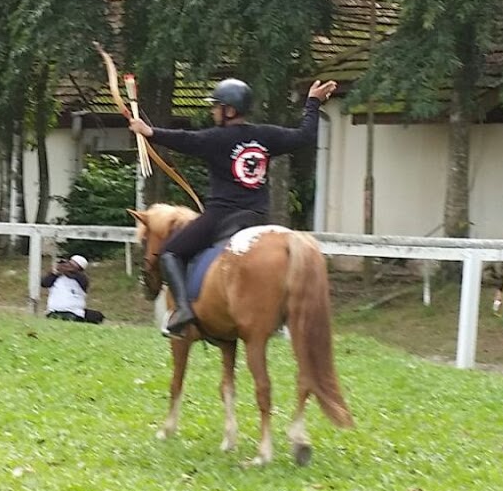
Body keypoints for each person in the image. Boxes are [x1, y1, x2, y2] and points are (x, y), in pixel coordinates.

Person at [129, 76, 338, 335]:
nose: (213, 111)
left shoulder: (216, 138)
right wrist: (313, 103)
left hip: (222, 217)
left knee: (171, 253)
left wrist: (151, 132)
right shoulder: (266, 135)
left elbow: (185, 139)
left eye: (217, 106)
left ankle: (183, 310)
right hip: (259, 217)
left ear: (229, 110)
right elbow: (305, 135)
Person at [41, 254, 104, 324]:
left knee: (97, 316)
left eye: (72, 265)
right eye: (69, 263)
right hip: (54, 311)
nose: (68, 266)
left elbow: (80, 278)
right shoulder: (55, 277)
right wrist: (56, 272)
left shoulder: (81, 279)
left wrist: (69, 271)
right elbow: (44, 283)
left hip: (75, 312)